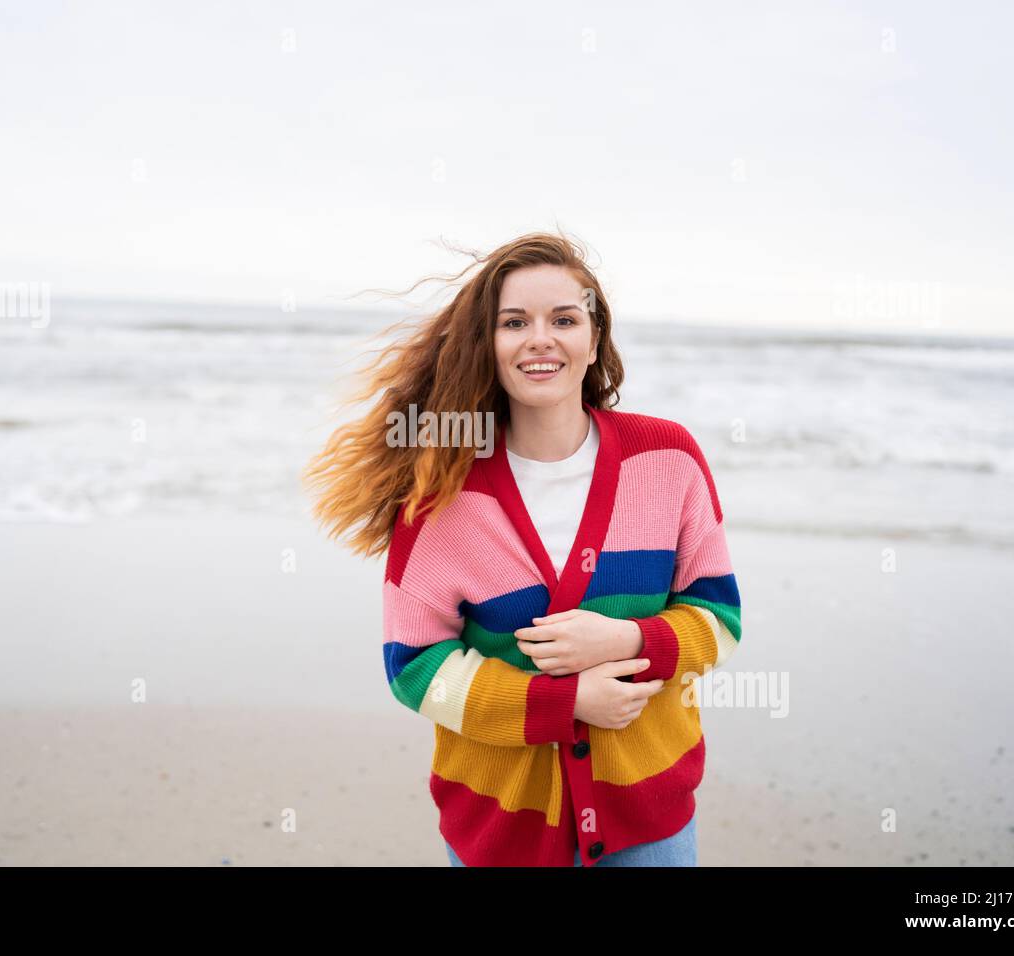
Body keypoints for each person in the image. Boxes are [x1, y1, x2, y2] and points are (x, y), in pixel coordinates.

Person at [304, 231, 742, 866]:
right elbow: (413, 666)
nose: (541, 338)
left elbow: (721, 621)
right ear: (491, 345)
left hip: (649, 818)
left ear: (595, 340)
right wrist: (566, 703)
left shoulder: (667, 458)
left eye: (564, 319)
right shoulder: (442, 491)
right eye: (515, 323)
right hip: (502, 825)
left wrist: (625, 641)